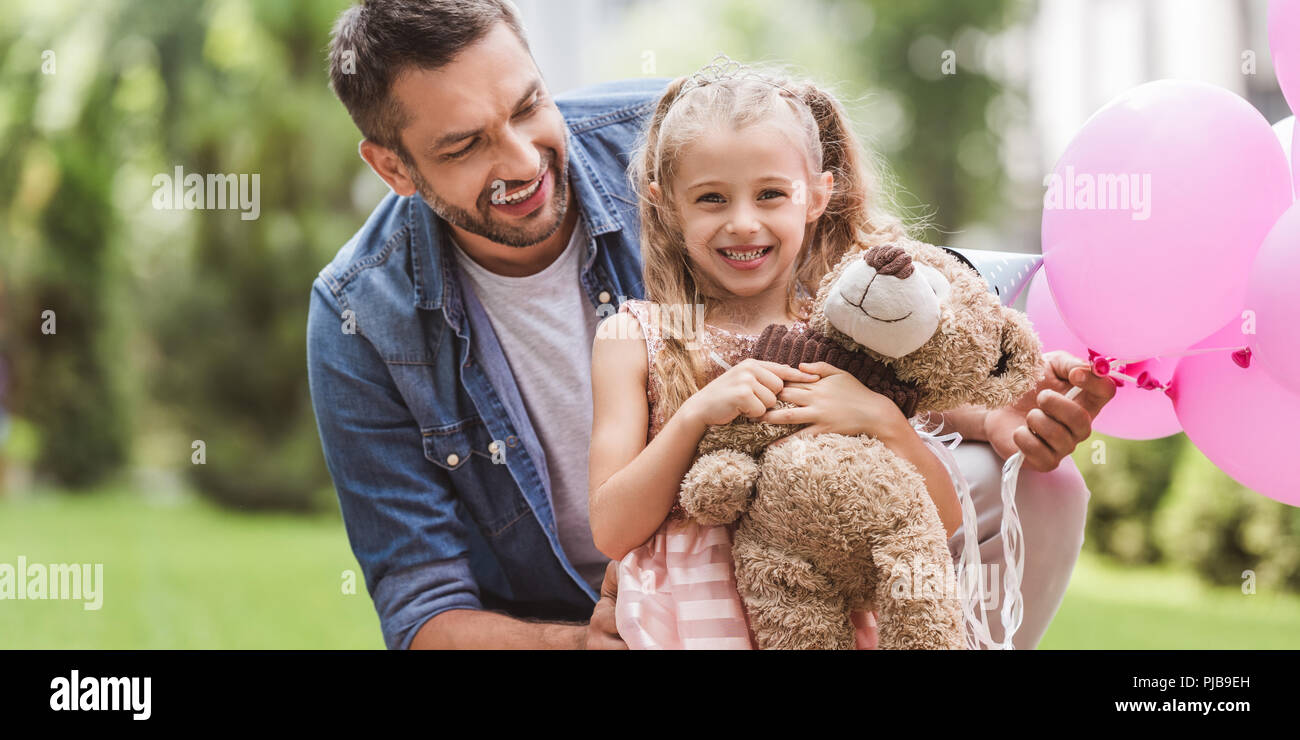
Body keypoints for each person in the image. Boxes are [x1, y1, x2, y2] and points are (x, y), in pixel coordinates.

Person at [307, 0, 1115, 650]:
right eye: (465, 146)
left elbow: (867, 314)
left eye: (527, 107)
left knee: (1040, 484)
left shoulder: (669, 137)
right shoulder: (358, 315)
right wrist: (579, 644)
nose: (521, 160)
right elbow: (422, 608)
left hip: (806, 535)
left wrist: (987, 408)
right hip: (598, 600)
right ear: (393, 167)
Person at [589, 66, 967, 648]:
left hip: (828, 617)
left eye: (771, 193)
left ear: (818, 195)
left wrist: (882, 420)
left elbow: (942, 522)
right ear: (666, 206)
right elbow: (611, 529)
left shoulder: (852, 337)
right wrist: (695, 415)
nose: (743, 222)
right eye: (711, 198)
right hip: (689, 626)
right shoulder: (636, 337)